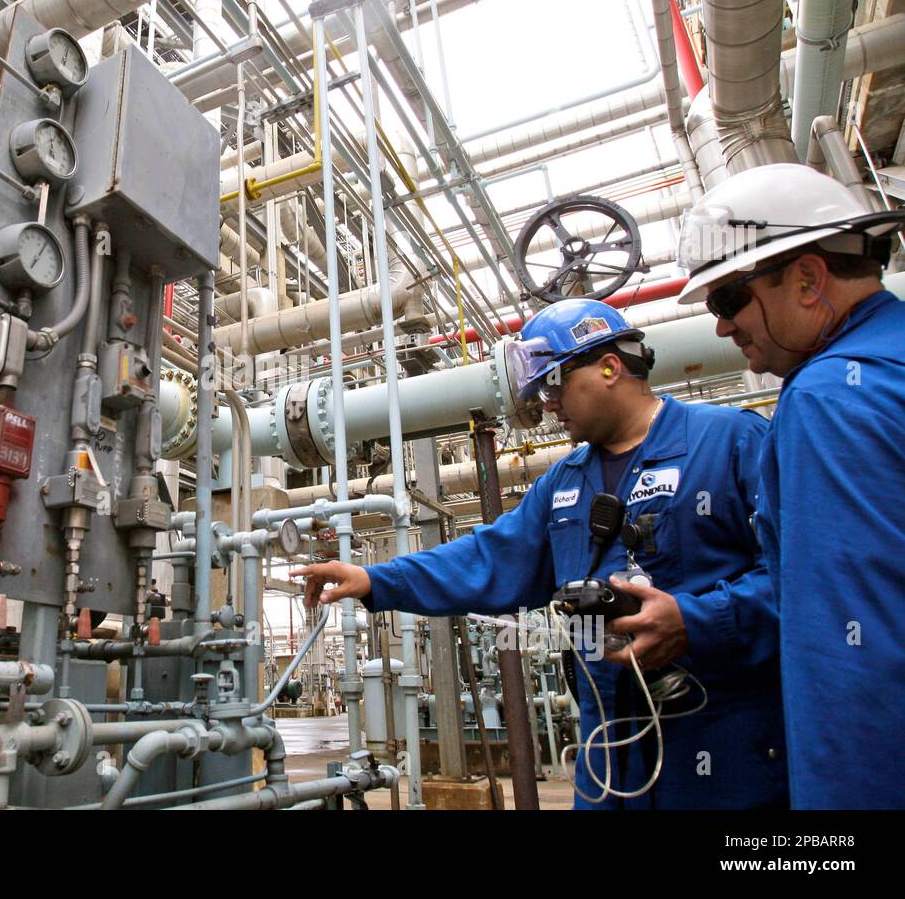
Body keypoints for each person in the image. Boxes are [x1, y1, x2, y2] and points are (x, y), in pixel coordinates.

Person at [291, 298, 786, 809]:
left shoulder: (730, 442)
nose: (546, 403)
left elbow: (802, 581)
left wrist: (696, 620)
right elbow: (491, 556)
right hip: (607, 744)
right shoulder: (566, 482)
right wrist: (377, 580)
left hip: (720, 740)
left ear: (610, 367)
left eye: (554, 385)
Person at [676, 162, 905, 809]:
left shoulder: (830, 400)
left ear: (807, 279)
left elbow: (853, 650)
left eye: (728, 299)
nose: (722, 327)